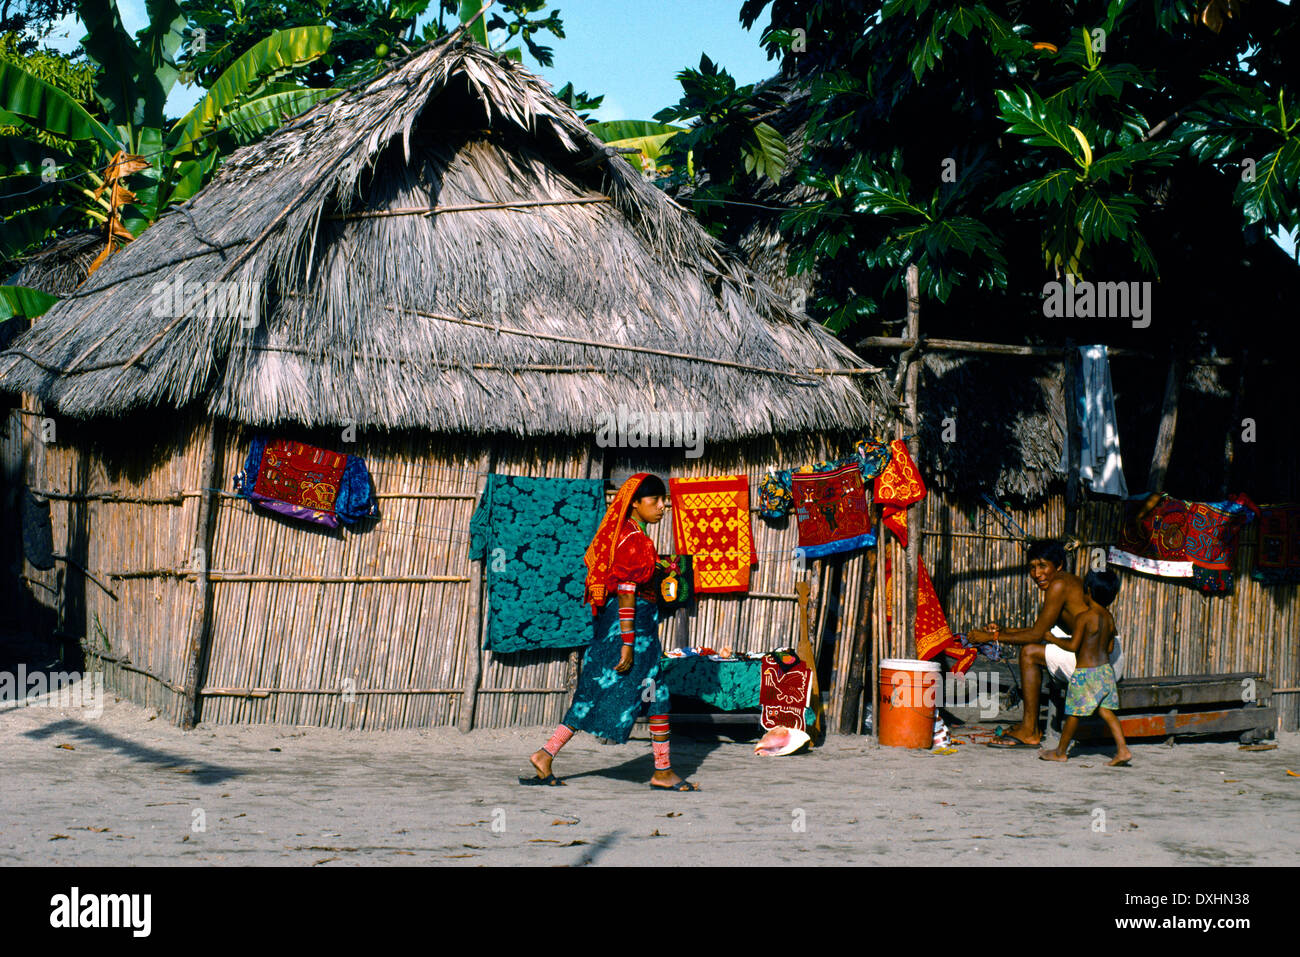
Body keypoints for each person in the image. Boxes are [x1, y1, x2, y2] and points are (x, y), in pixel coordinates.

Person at [522, 473, 700, 791]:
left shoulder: (626, 534)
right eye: (655, 501)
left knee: (599, 691)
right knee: (653, 692)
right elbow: (628, 592)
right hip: (631, 630)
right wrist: (628, 644)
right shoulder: (635, 542)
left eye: (664, 501)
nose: (663, 507)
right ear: (634, 504)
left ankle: (547, 753)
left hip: (617, 627)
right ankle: (660, 772)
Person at [967, 540, 1122, 748]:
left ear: (1057, 566)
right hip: (1107, 657)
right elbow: (1040, 629)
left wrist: (992, 638)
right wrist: (1002, 631)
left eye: (1042, 566)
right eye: (1032, 568)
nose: (1036, 573)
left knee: (1029, 653)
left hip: (1099, 661)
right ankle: (1030, 727)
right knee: (1038, 643)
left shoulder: (1058, 584)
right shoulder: (1066, 582)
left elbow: (1035, 635)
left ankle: (1029, 730)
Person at [1039, 570, 1132, 766]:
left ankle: (1061, 752)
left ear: (1087, 591)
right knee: (1106, 711)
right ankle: (1122, 749)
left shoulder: (1084, 617)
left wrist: (1053, 639)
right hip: (1105, 672)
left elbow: (1073, 646)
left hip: (1085, 674)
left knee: (1073, 713)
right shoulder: (1109, 618)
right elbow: (1109, 647)